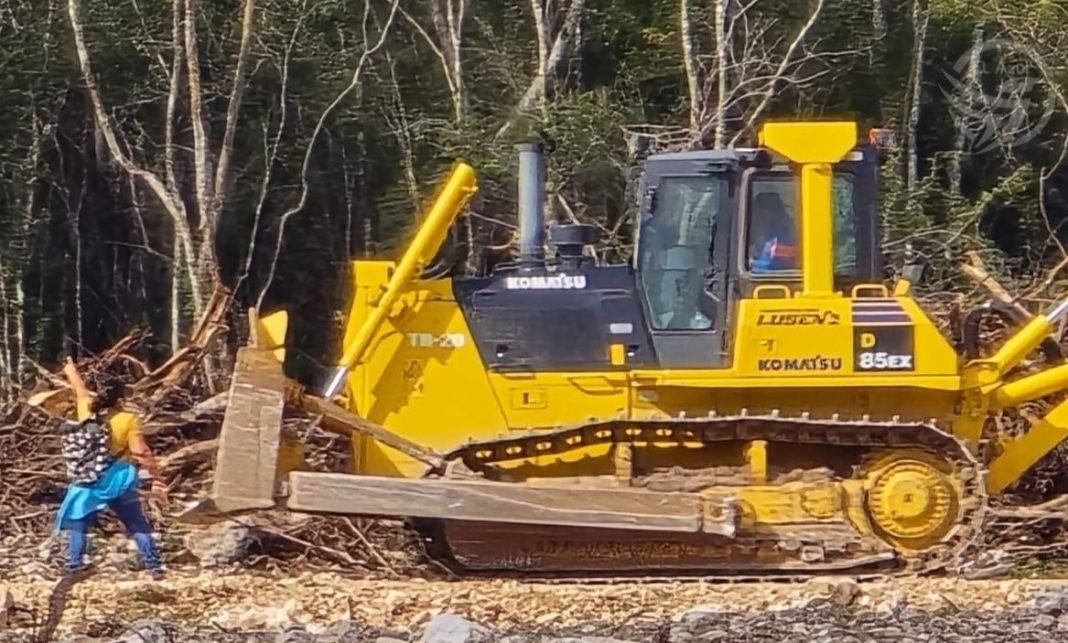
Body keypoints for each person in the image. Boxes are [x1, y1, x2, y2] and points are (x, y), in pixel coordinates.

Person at [53, 357, 167, 580]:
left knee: (78, 520)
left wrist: (70, 370)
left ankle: (74, 565)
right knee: (135, 522)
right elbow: (140, 452)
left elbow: (80, 391)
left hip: (89, 479)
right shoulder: (128, 419)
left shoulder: (87, 412)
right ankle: (155, 567)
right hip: (119, 479)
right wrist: (157, 476)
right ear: (121, 398)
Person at [748, 191, 798, 272]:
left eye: (761, 211)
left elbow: (789, 259)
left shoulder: (787, 233)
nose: (757, 215)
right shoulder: (753, 229)